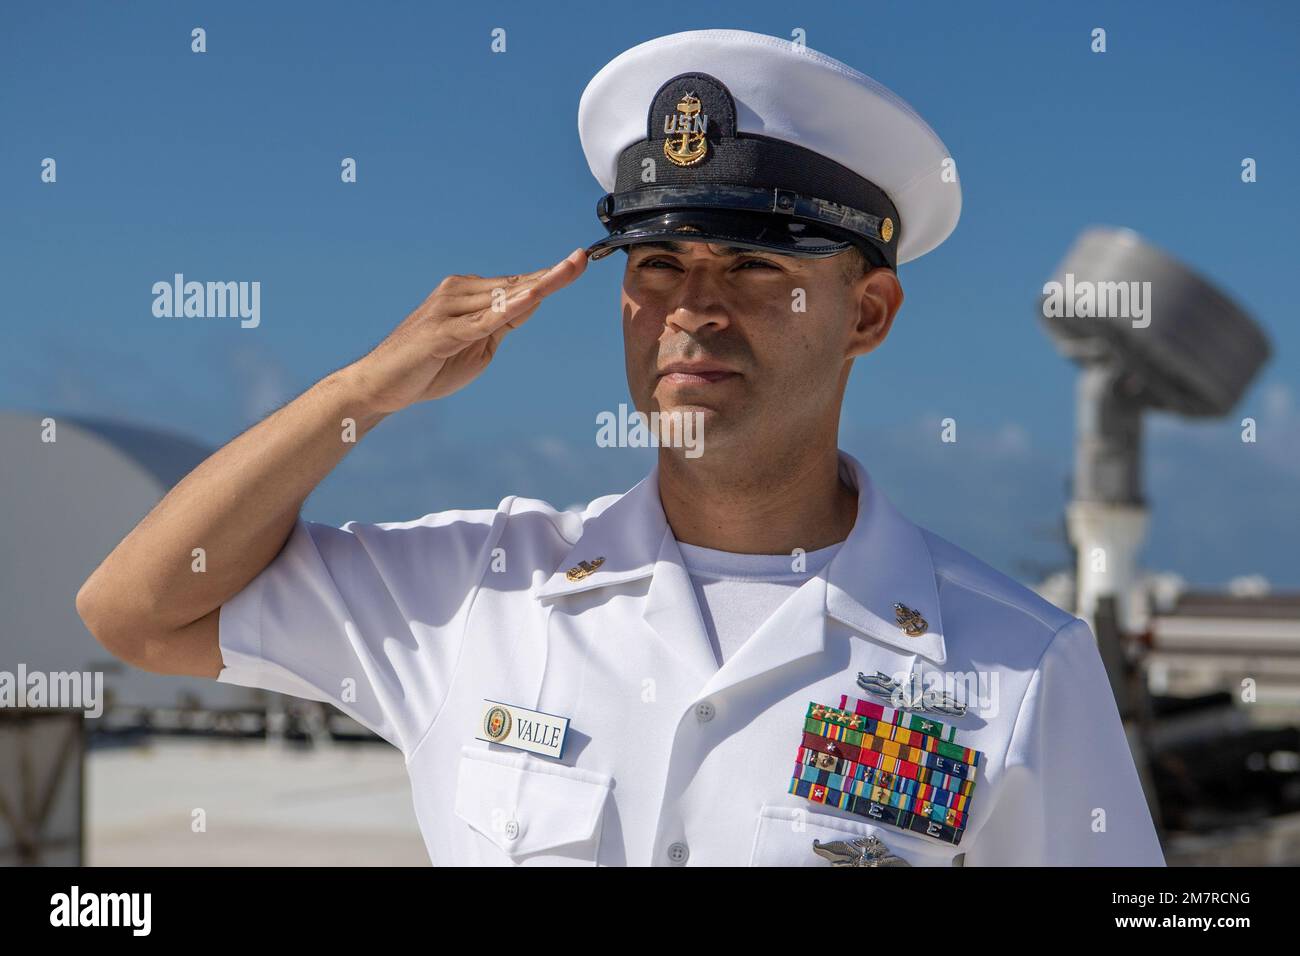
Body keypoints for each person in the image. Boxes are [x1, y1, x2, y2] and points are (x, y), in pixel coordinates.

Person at [77, 29, 1164, 866]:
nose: (692, 310)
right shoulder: (482, 594)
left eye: (750, 266)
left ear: (868, 313)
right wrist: (367, 388)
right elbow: (139, 608)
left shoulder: (1014, 664)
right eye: (656, 266)